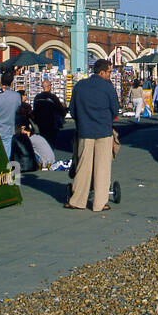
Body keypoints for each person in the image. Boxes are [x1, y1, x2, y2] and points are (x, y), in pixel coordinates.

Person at [65, 59, 120, 212]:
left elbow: (72, 110)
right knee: (102, 168)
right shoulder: (108, 87)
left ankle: (77, 200)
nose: (110, 74)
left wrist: (82, 121)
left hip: (85, 132)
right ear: (102, 72)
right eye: (109, 72)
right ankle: (99, 203)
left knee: (83, 166)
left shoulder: (80, 86)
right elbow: (115, 110)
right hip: (103, 131)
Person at [33, 78, 65, 146]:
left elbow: (35, 110)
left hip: (41, 123)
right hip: (51, 123)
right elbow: (60, 110)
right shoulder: (53, 97)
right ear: (49, 86)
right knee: (51, 142)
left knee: (43, 141)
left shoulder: (37, 97)